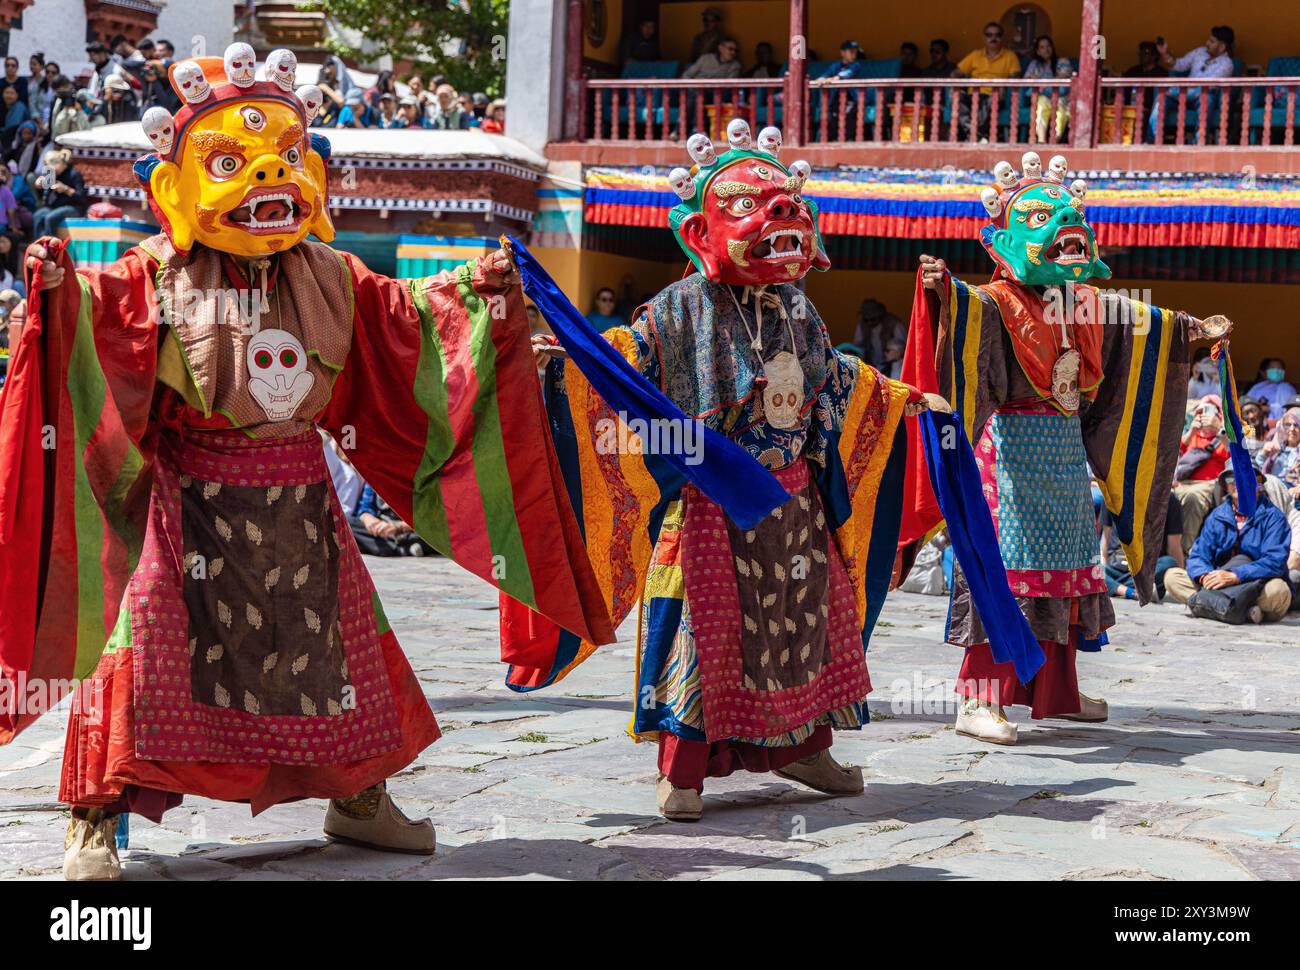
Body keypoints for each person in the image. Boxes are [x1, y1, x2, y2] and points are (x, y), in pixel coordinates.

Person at [3, 45, 611, 882]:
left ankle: (359, 799)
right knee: (139, 656)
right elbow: (100, 327)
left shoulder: (331, 273)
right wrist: (61, 291)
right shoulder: (156, 274)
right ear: (175, 188)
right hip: (186, 510)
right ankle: (94, 822)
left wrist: (479, 291)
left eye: (287, 159)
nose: (268, 180)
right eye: (231, 164)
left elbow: (412, 329)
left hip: (303, 506)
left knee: (337, 659)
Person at [531, 121, 940, 820]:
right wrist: (574, 360)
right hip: (712, 502)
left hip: (795, 503)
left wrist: (900, 399)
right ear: (699, 232)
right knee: (703, 633)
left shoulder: (798, 308)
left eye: (785, 207)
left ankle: (805, 746)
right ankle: (682, 770)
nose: (780, 221)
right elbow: (632, 362)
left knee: (805, 625)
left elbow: (834, 377)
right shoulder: (680, 307)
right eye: (749, 207)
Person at [909, 151, 1224, 745]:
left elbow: (1142, 322)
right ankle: (979, 696)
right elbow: (967, 325)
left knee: (1065, 575)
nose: (1065, 237)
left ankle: (1058, 692)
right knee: (1008, 573)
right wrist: (944, 293)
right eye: (1041, 220)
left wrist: (1190, 331)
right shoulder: (994, 301)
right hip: (1008, 453)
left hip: (1062, 453)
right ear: (1005, 237)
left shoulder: (1083, 303)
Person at [1164, 469, 1294, 622]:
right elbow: (1199, 555)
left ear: (1258, 482)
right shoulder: (1217, 515)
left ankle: (1210, 606)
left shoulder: (1273, 517)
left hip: (1255, 585)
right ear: (1224, 486)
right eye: (1231, 479)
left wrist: (1236, 575)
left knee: (1279, 591)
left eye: (1244, 476)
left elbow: (1274, 561)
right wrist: (1205, 575)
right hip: (1220, 584)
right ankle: (1243, 612)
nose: (1237, 483)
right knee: (1172, 577)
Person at [1150, 26, 1235, 140]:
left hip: (1203, 94)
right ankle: (1152, 140)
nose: (1207, 43)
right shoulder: (1200, 52)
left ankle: (1198, 142)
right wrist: (1165, 53)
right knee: (1162, 97)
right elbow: (1179, 65)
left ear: (1222, 46)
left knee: (1206, 99)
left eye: (1212, 41)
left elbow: (1206, 84)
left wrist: (1178, 88)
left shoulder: (1227, 64)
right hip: (1184, 93)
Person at [1174, 394, 1233, 553]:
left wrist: (1220, 429)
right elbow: (1175, 453)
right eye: (1200, 412)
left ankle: (1184, 552)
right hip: (1183, 483)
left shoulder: (1225, 436)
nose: (1204, 416)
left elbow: (1234, 456)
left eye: (1210, 411)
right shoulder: (1193, 435)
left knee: (1193, 497)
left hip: (1210, 484)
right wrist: (1192, 430)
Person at [1102, 492, 1184, 600]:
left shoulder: (1168, 498)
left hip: (1147, 568)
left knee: (1169, 562)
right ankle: (1131, 592)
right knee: (1092, 570)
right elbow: (1106, 541)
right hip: (1117, 564)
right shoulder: (1112, 490)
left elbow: (1174, 547)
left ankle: (1112, 586)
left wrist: (1178, 576)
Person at [953, 22, 1022, 140]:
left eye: (997, 35)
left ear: (1002, 37)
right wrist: (958, 85)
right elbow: (955, 74)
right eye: (989, 35)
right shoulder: (975, 55)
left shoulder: (1010, 56)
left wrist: (1002, 87)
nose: (993, 38)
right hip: (973, 94)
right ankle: (976, 135)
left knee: (989, 101)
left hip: (994, 94)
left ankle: (973, 136)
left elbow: (1015, 78)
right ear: (984, 38)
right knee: (958, 97)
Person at [1022, 35, 1071, 142]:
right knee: (1040, 104)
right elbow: (1026, 78)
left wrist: (1043, 81)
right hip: (1044, 97)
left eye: (1048, 46)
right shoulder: (1035, 64)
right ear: (1038, 51)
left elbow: (1064, 75)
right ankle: (1041, 141)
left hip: (1062, 98)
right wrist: (1034, 78)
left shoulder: (1062, 61)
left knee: (1061, 110)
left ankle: (1055, 140)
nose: (1046, 49)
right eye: (1042, 47)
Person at [31, 148, 88, 238]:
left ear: (60, 163)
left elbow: (82, 198)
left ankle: (51, 247)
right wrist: (39, 184)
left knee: (50, 218)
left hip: (73, 207)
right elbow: (45, 196)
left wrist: (66, 189)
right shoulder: (52, 174)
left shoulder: (74, 174)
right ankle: (39, 245)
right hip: (55, 207)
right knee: (37, 215)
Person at [852, 297, 904, 369]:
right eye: (866, 319)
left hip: (891, 365)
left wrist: (895, 350)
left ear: (880, 315)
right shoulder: (862, 325)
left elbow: (901, 343)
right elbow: (857, 345)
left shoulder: (893, 323)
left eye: (872, 319)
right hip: (871, 366)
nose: (869, 322)